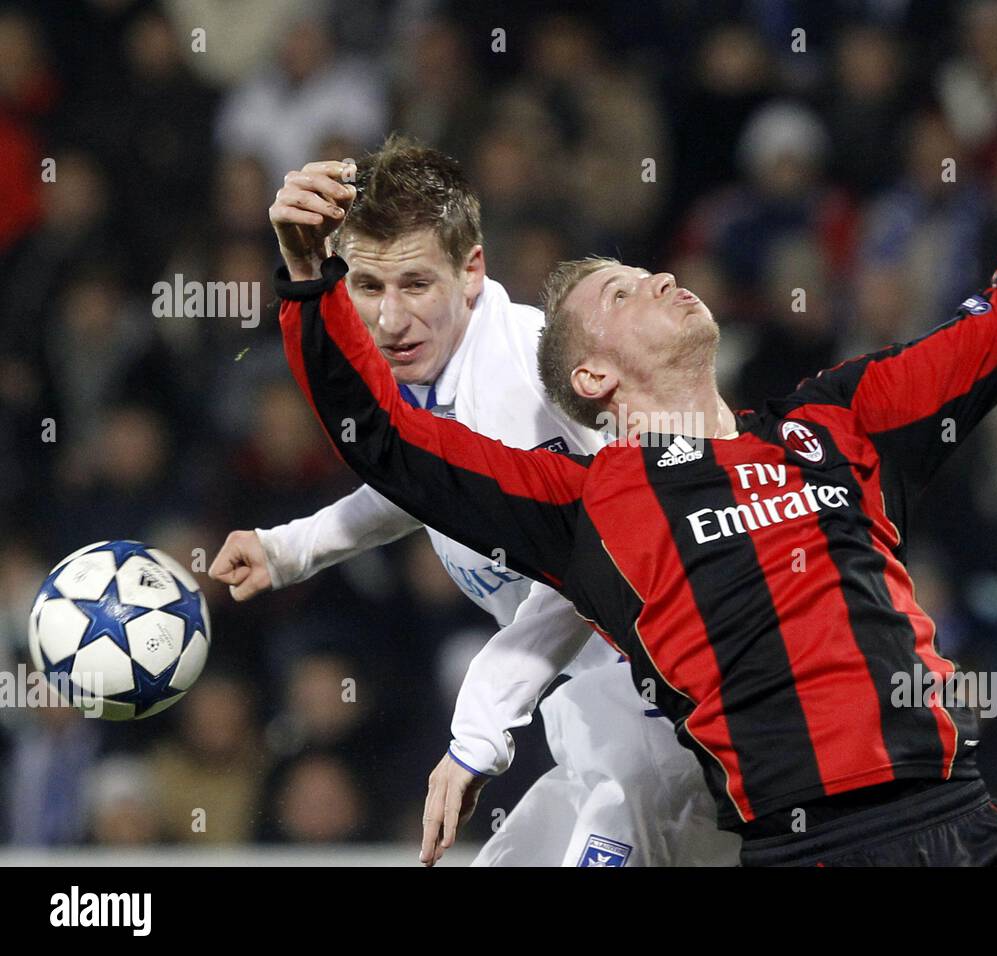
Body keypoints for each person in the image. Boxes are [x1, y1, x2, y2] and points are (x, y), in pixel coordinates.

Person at [272, 32, 997, 866]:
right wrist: (313, 285)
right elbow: (387, 443)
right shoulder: (582, 503)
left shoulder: (840, 422)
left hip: (963, 824)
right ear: (592, 379)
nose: (658, 277)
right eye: (619, 291)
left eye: (649, 268)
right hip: (807, 849)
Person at [210, 139, 740, 866]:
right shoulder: (435, 372)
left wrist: (480, 731)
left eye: (416, 284)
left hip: (672, 705)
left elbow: (606, 553)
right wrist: (292, 548)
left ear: (472, 272)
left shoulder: (534, 375)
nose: (391, 320)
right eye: (367, 287)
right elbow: (432, 484)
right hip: (599, 712)